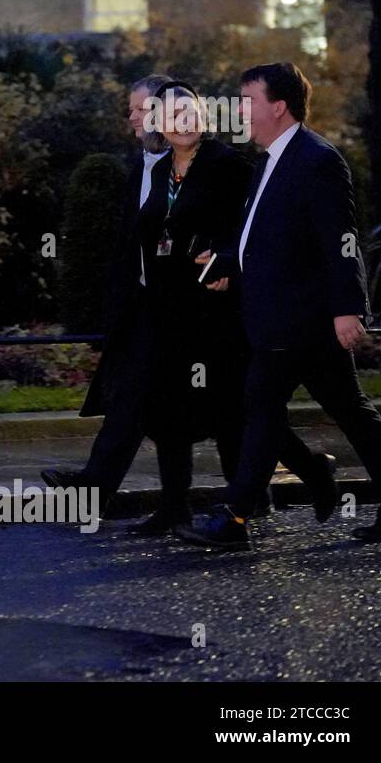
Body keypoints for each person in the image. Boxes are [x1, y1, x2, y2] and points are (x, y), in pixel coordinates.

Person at [180, 62, 381, 550]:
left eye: (248, 102)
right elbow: (258, 234)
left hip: (298, 317)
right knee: (349, 409)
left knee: (260, 406)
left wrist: (349, 307)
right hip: (285, 316)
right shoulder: (271, 159)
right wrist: (224, 264)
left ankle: (234, 517)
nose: (240, 111)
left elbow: (341, 239)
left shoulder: (317, 159)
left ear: (277, 106)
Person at [131, 82, 328, 534]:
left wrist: (224, 256)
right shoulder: (161, 173)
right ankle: (173, 506)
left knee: (232, 408)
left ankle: (309, 471)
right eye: (172, 113)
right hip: (167, 309)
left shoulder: (228, 166)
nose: (182, 120)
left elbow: (254, 227)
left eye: (191, 112)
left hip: (215, 309)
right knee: (166, 408)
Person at [40, 75, 174, 508]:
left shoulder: (190, 167)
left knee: (223, 407)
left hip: (179, 307)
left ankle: (280, 478)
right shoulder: (141, 165)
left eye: (138, 109)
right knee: (133, 398)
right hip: (143, 307)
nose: (130, 117)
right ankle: (97, 489)